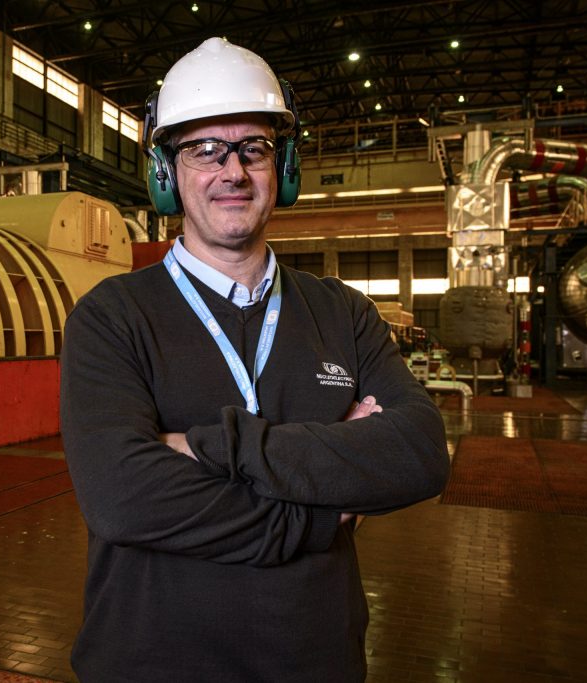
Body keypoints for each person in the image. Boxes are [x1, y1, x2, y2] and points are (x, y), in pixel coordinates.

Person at [59, 37, 450, 682]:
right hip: (150, 663)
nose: (232, 172)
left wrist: (209, 446)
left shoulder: (343, 312)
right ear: (167, 172)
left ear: (283, 165)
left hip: (315, 662)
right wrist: (324, 502)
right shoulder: (111, 316)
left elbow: (420, 454)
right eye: (204, 150)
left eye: (254, 148)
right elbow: (122, 498)